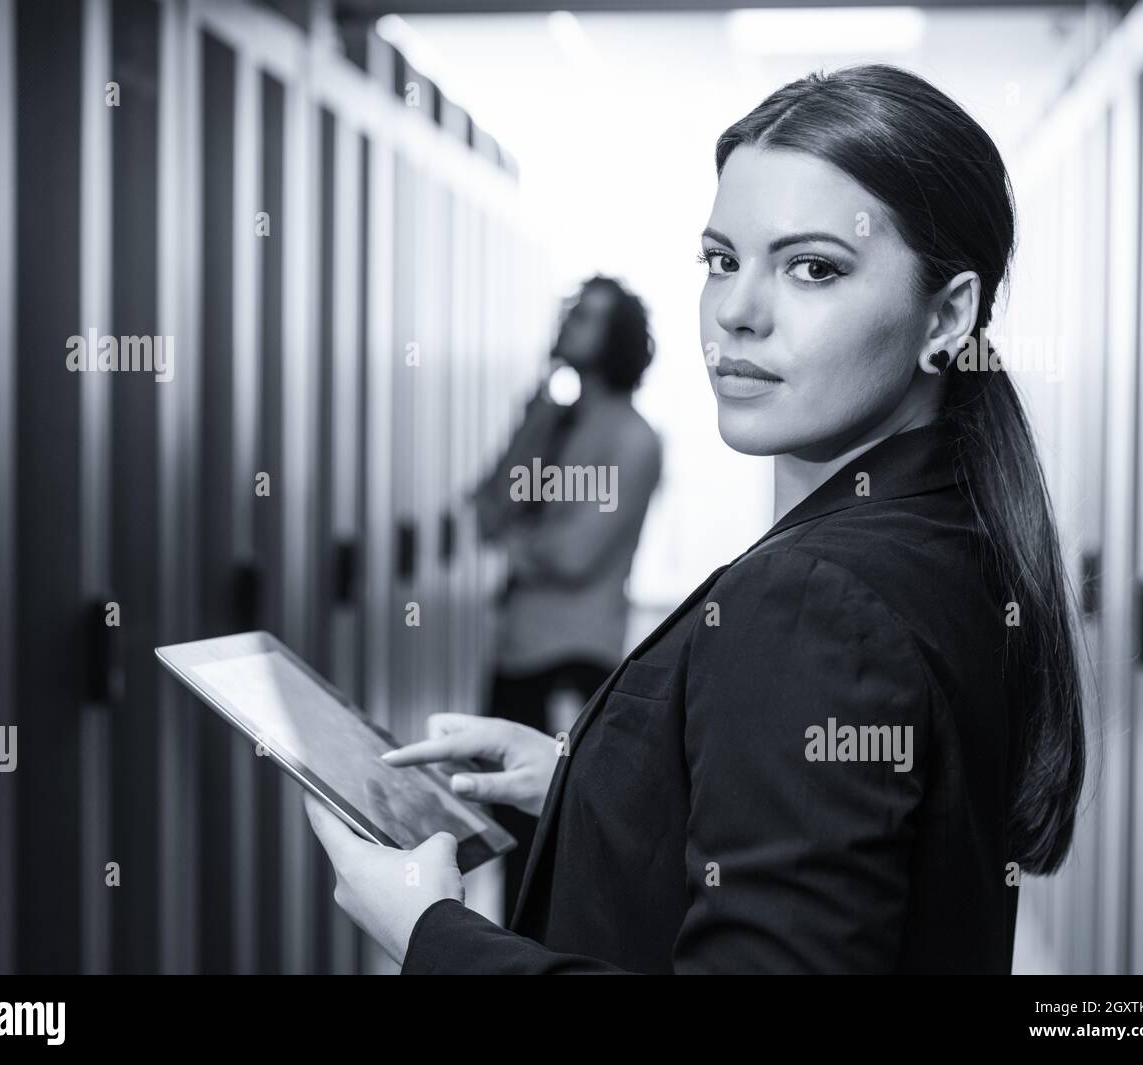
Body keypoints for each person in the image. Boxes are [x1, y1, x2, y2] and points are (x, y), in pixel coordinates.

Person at [304, 63, 1087, 974]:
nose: (737, 314)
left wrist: (426, 932)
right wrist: (597, 781)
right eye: (722, 260)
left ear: (947, 315)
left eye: (812, 267)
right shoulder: (952, 524)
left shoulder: (816, 600)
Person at [468, 275, 663, 919]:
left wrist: (524, 541)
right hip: (517, 649)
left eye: (590, 317)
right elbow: (489, 509)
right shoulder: (552, 417)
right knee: (507, 823)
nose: (573, 324)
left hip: (575, 657)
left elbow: (577, 556)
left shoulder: (634, 439)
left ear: (619, 338)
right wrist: (534, 420)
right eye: (572, 313)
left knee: (550, 836)